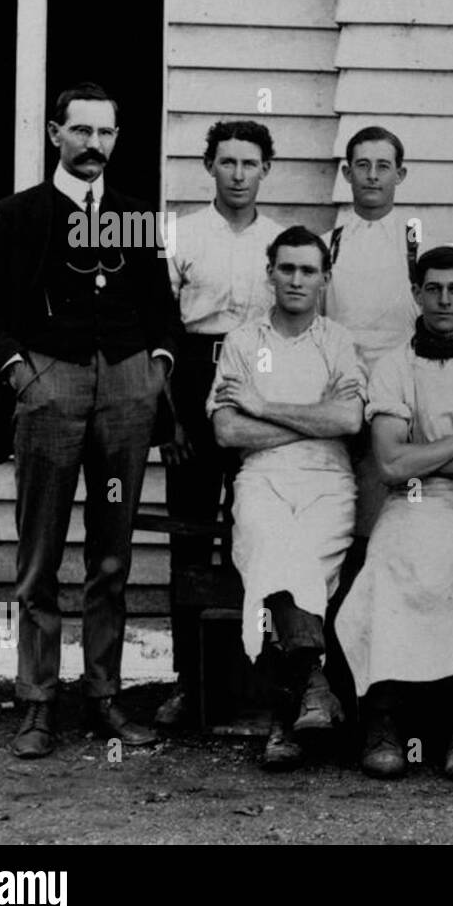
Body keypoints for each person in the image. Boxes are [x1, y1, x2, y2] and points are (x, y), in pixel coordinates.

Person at [0, 81, 181, 758]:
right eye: (80, 131)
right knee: (40, 556)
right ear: (55, 133)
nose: (93, 145)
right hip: (49, 385)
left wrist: (153, 372)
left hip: (125, 391)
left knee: (111, 557)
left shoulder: (133, 216)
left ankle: (105, 697)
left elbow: (163, 311)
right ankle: (36, 703)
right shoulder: (15, 216)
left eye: (105, 133)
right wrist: (25, 379)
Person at [334, 245, 453, 781]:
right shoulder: (394, 365)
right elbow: (391, 465)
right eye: (433, 288)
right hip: (411, 502)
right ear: (416, 293)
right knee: (389, 560)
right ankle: (384, 716)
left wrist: (428, 457)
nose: (444, 300)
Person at [208, 226, 366, 770]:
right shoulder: (241, 342)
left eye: (308, 271)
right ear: (269, 272)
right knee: (276, 549)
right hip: (261, 477)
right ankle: (314, 688)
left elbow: (348, 419)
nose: (297, 280)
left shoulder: (338, 341)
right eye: (287, 268)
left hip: (327, 481)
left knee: (292, 561)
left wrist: (263, 404)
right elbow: (228, 432)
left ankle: (285, 719)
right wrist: (309, 420)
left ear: (325, 279)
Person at [156, 119, 283, 727]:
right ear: (209, 166)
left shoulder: (282, 242)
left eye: (249, 164)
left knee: (256, 527)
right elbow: (157, 334)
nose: (238, 175)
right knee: (190, 531)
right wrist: (169, 424)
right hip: (191, 374)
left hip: (260, 381)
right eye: (227, 162)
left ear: (266, 170)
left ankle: (253, 675)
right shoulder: (179, 234)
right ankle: (188, 679)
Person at [320, 125, 420, 542]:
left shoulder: (419, 242)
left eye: (384, 166)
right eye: (363, 166)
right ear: (347, 174)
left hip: (401, 394)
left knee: (393, 503)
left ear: (401, 174)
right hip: (341, 391)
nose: (373, 176)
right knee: (340, 502)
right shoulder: (330, 244)